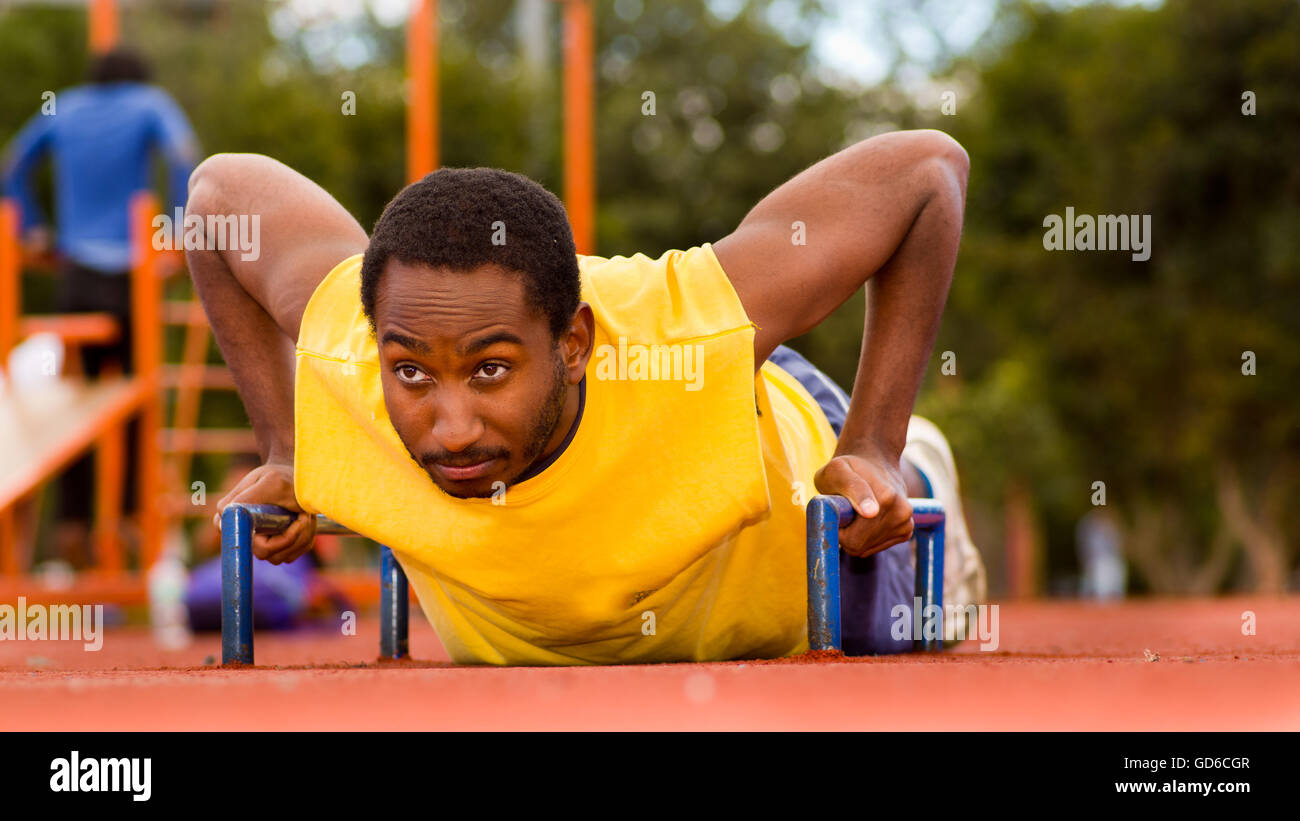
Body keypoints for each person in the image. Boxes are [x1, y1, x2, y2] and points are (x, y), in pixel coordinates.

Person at [186, 129, 986, 664]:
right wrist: (290, 449)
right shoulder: (360, 349)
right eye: (414, 375)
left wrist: (873, 444)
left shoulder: (685, 326)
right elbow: (218, 192)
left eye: (491, 370)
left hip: (781, 501)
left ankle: (918, 461)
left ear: (573, 346)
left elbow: (929, 170)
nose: (451, 428)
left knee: (893, 595)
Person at [1, 47, 199, 556]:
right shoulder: (149, 103)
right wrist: (175, 233)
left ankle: (72, 524)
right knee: (136, 398)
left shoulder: (63, 107)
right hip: (129, 275)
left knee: (75, 405)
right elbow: (182, 155)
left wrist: (36, 230)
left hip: (75, 276)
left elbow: (12, 165)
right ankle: (134, 515)